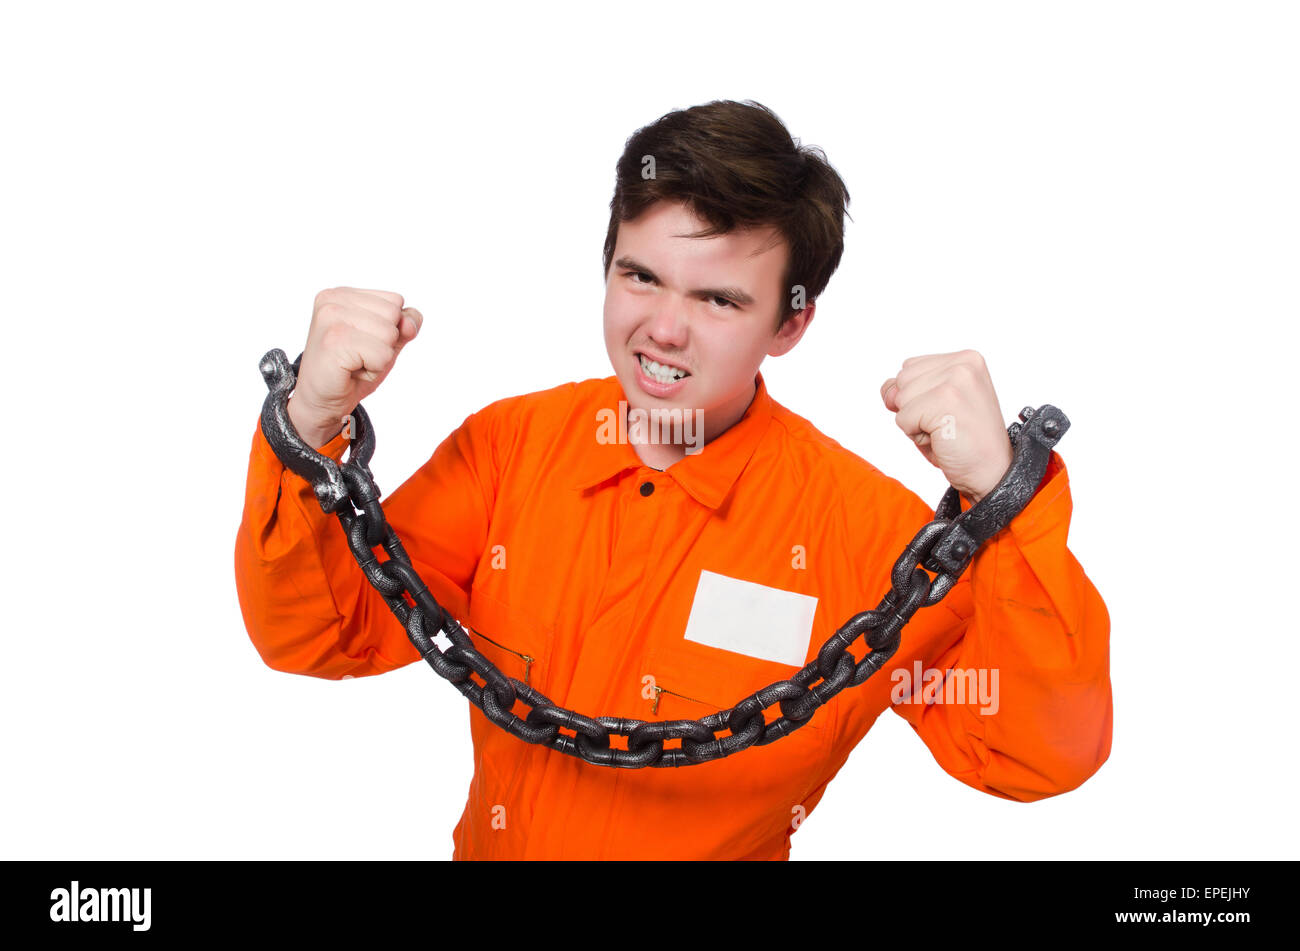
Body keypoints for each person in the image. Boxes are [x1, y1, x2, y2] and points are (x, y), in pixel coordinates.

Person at [234, 99, 1112, 860]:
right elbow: (322, 634)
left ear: (790, 323)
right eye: (640, 276)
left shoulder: (867, 536)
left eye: (718, 299)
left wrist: (1005, 497)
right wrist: (308, 429)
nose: (663, 329)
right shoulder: (509, 452)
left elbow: (1038, 752)